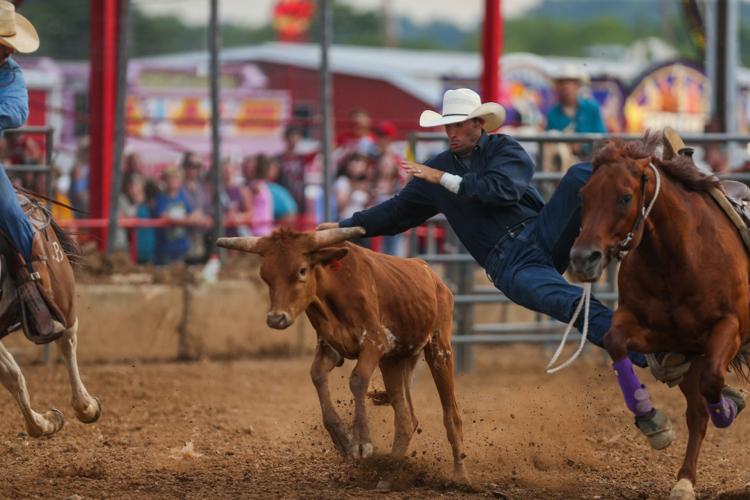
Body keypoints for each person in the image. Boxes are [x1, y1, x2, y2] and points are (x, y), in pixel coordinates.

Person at [318, 88, 705, 436]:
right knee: (571, 303)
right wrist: (345, 228)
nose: (451, 133)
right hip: (510, 263)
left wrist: (443, 180)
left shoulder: (503, 151)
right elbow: (396, 212)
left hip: (540, 233)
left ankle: (661, 181)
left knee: (578, 176)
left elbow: (503, 191)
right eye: (447, 126)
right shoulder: (436, 172)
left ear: (478, 125)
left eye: (459, 125)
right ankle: (650, 353)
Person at [0, 2, 65, 339]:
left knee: (13, 216)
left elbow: (15, 112)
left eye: (7, 44)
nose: (5, 50)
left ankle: (33, 291)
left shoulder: (10, 74)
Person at [545, 64, 606, 169]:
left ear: (577, 85)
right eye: (561, 82)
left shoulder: (592, 108)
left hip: (591, 162)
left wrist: (582, 146)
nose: (565, 86)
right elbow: (549, 145)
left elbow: (602, 138)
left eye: (569, 81)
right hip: (561, 166)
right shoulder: (552, 114)